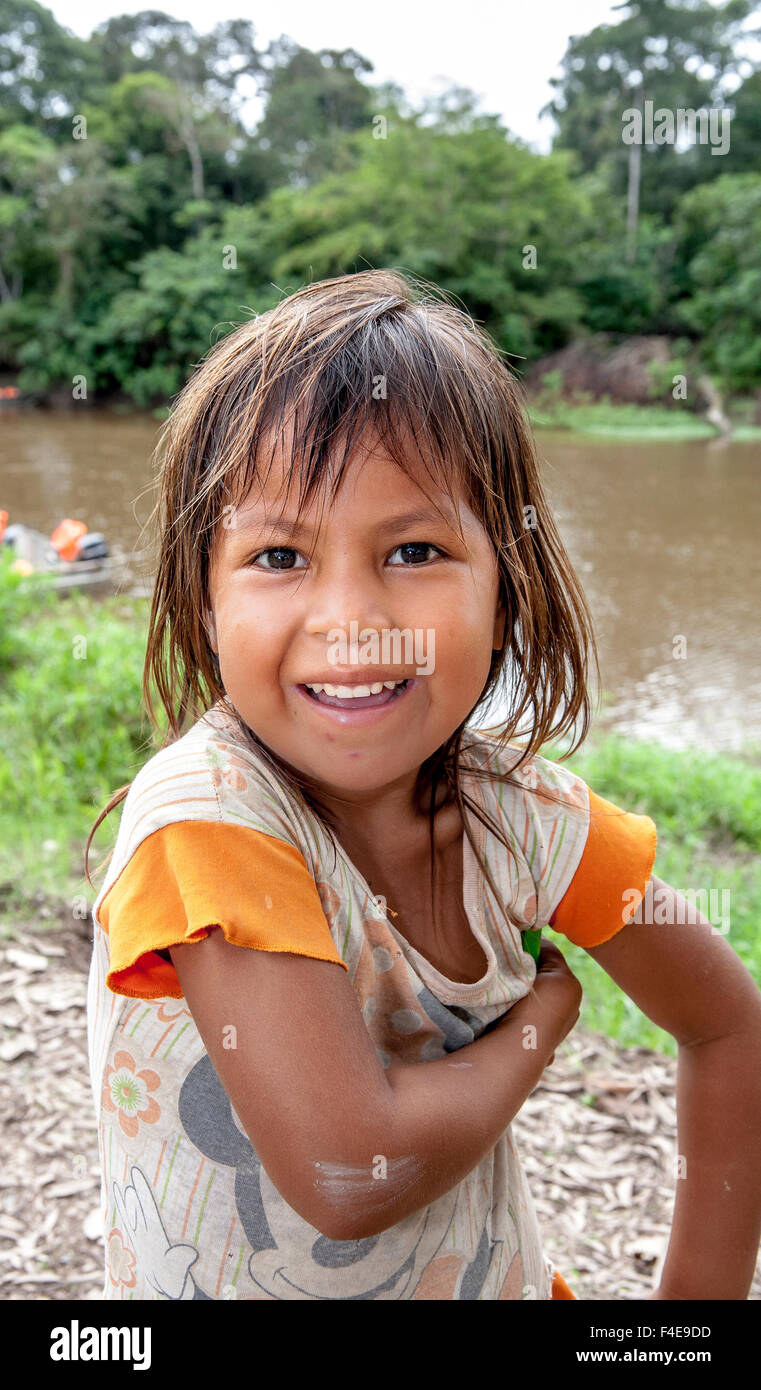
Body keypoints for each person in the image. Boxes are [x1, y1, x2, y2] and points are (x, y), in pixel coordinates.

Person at [85, 268, 761, 1301]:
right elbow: (344, 1171)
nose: (351, 619)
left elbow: (727, 1024)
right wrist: (536, 1028)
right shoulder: (206, 820)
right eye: (277, 554)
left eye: (413, 548)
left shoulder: (526, 820)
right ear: (204, 599)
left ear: (506, 587)